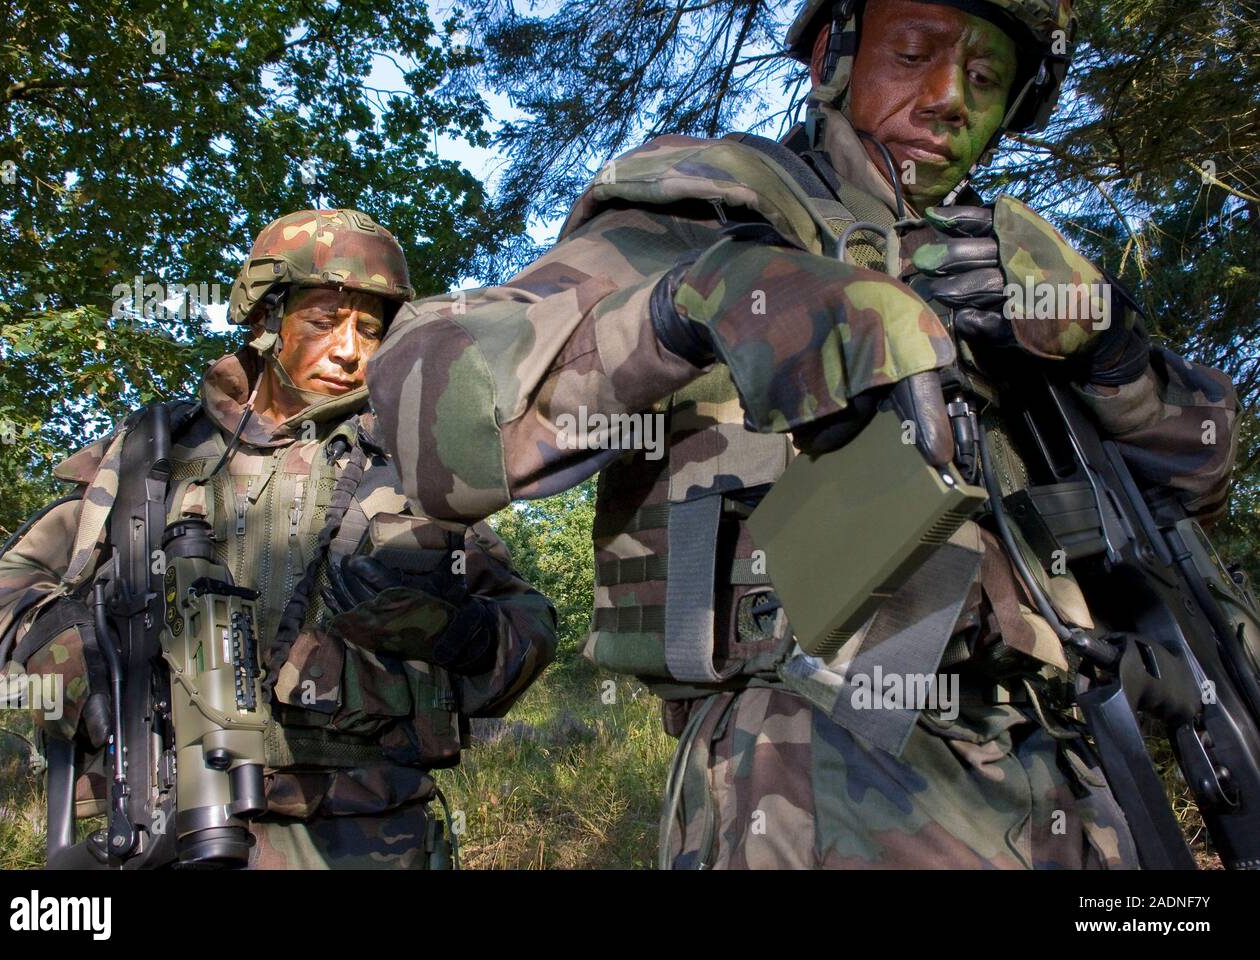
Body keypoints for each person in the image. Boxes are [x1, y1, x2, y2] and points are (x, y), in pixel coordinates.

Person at [364, 0, 1239, 869]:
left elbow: (1199, 475)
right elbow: (434, 425)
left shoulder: (1018, 265)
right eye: (914, 52)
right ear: (834, 53)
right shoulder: (718, 208)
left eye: (985, 77)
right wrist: (699, 304)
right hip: (821, 749)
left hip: (1078, 756)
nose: (948, 99)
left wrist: (1110, 349)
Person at [0, 208, 557, 869]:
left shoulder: (416, 472)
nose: (348, 350)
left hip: (361, 833)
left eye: (369, 329)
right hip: (154, 821)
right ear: (267, 318)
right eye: (324, 321)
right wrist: (89, 671)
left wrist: (460, 634)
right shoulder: (150, 457)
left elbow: (529, 622)